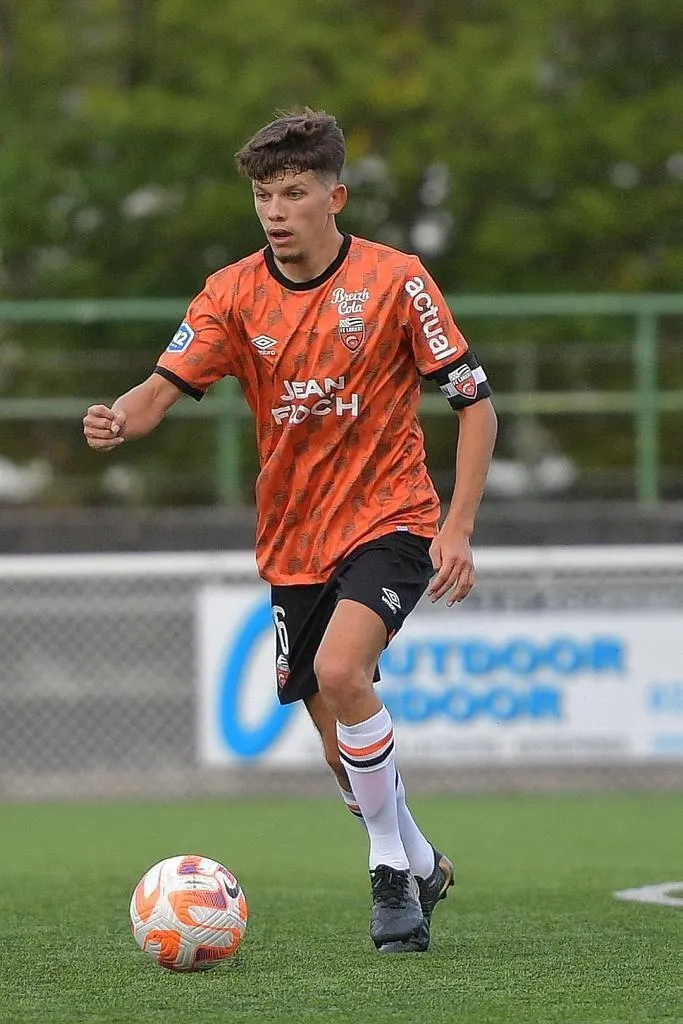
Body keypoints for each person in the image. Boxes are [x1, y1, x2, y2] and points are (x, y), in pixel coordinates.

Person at [83, 108, 497, 953]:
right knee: (333, 729)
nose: (276, 209)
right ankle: (420, 858)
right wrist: (119, 419)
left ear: (333, 196)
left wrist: (455, 527)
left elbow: (475, 404)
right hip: (293, 538)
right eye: (264, 194)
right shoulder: (231, 292)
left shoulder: (395, 281)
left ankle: (388, 875)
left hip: (392, 517)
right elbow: (158, 389)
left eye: (294, 192)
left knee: (344, 670)